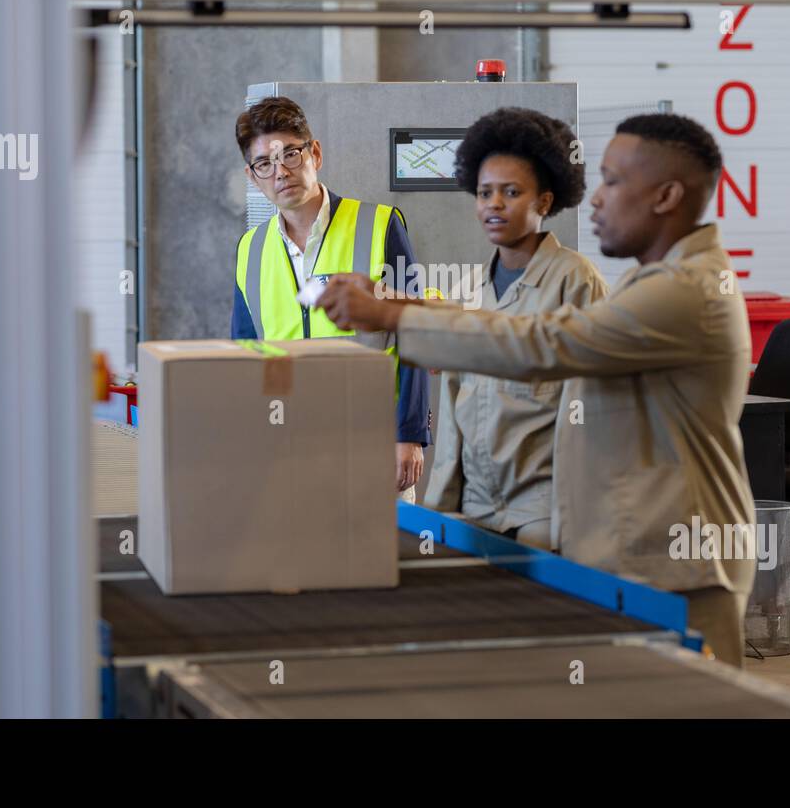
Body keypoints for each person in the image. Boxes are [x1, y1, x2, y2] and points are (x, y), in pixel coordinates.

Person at [317, 113, 756, 666]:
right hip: (638, 555)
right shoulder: (652, 282)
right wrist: (401, 307)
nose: (597, 199)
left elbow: (544, 343)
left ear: (667, 195)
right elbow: (514, 332)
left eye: (613, 181)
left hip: (680, 566)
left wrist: (391, 315)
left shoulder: (682, 290)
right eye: (485, 192)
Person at [230, 96, 431, 496]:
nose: (281, 172)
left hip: (373, 445)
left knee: (381, 540)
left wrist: (410, 434)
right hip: (286, 449)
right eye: (264, 164)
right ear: (252, 177)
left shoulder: (380, 225)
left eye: (290, 154)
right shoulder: (250, 249)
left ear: (315, 154)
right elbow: (245, 354)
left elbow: (415, 333)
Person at [426, 108, 606, 549]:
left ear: (544, 202)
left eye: (511, 192)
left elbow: (594, 405)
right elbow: (452, 405)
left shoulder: (574, 280)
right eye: (484, 192)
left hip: (543, 500)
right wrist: (440, 503)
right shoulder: (472, 290)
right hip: (476, 500)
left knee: (532, 575)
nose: (494, 203)